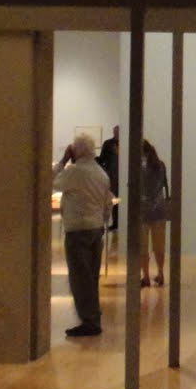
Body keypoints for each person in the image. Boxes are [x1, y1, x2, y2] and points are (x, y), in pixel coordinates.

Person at [53, 132, 111, 337]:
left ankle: (89, 320)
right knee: (92, 276)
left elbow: (51, 181)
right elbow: (107, 204)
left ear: (75, 150)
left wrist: (63, 160)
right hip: (96, 229)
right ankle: (93, 317)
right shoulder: (101, 174)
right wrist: (103, 223)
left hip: (77, 230)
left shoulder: (75, 172)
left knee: (80, 278)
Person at [138, 139, 170, 287]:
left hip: (142, 210)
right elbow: (162, 186)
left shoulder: (137, 166)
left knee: (143, 246)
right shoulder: (160, 164)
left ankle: (145, 276)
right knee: (159, 245)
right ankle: (161, 273)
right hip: (159, 209)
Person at [98, 126, 120, 232]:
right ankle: (115, 222)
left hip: (122, 176)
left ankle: (121, 222)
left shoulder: (126, 143)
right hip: (112, 176)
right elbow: (102, 158)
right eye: (116, 131)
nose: (117, 133)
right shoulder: (108, 144)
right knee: (114, 200)